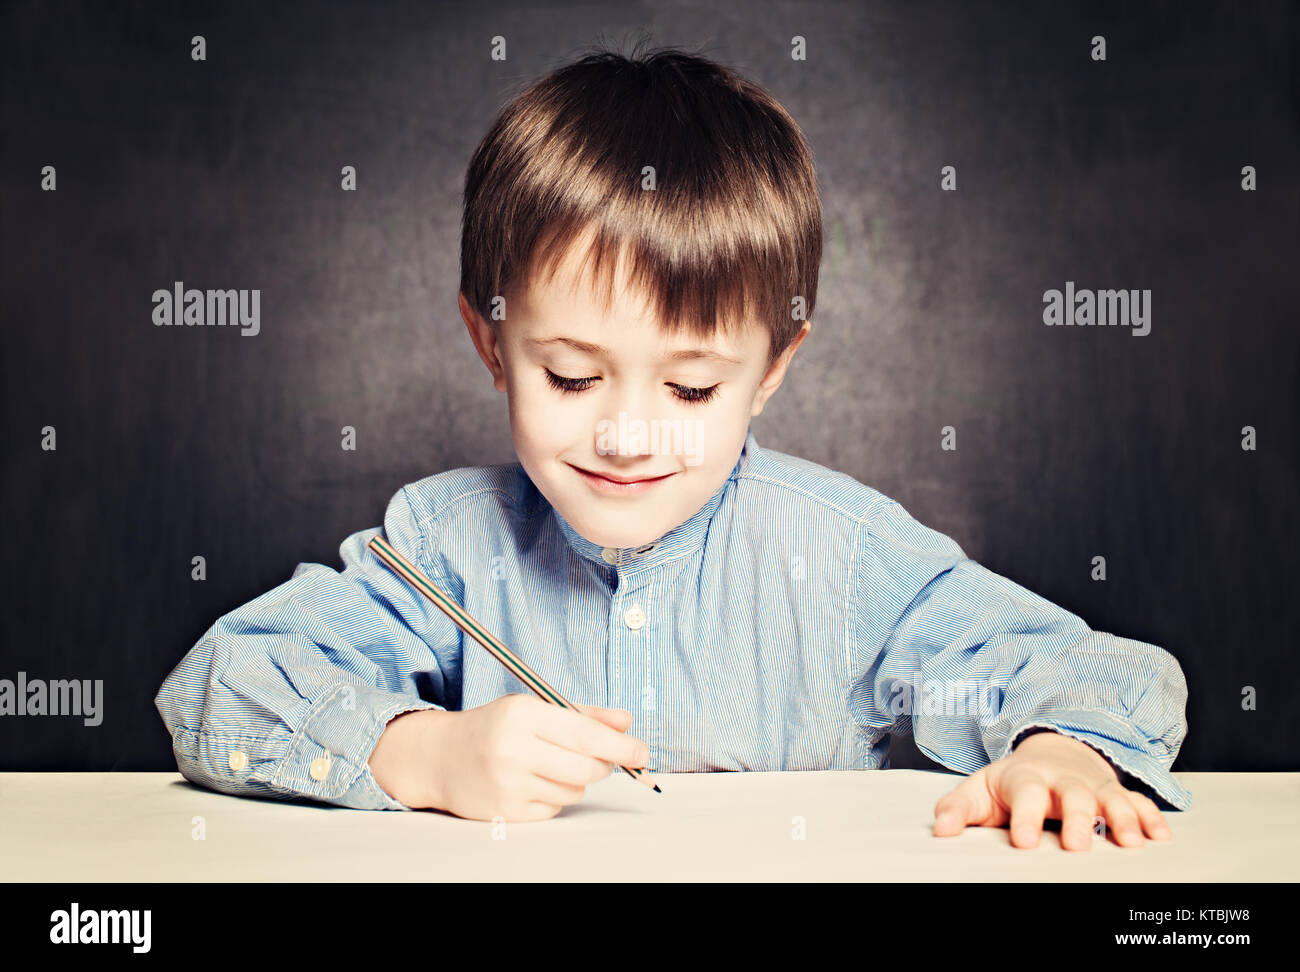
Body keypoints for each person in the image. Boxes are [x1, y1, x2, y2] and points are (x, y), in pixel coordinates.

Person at [155, 44, 1188, 849]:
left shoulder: (840, 555)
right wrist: (418, 754)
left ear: (773, 364)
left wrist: (1059, 751)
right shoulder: (439, 546)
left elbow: (1081, 667)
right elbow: (226, 679)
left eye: (691, 385)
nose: (628, 431)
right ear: (490, 342)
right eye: (569, 375)